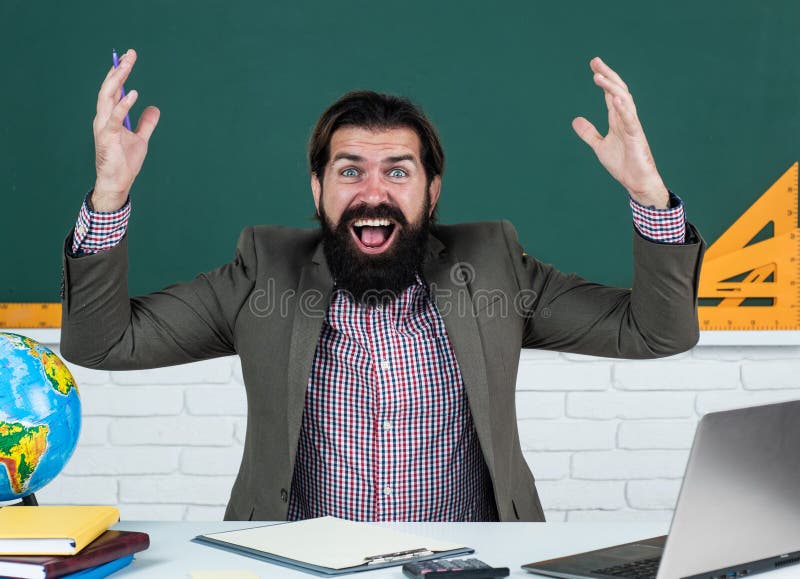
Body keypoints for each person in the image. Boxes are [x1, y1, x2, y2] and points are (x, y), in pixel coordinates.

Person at [61, 49, 705, 522]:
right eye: (350, 171)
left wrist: (647, 193)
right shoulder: (264, 270)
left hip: (469, 564)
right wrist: (111, 195)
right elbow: (102, 344)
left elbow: (656, 332)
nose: (374, 193)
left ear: (433, 191)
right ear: (317, 190)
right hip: (300, 566)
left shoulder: (494, 266)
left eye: (398, 172)